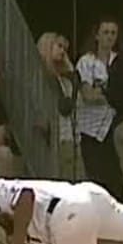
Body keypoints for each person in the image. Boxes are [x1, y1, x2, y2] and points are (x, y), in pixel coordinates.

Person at [73, 19, 123, 200]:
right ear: (97, 35)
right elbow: (88, 95)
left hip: (112, 128)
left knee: (117, 182)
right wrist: (110, 93)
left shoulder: (119, 61)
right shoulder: (86, 62)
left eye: (113, 33)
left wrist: (104, 93)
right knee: (96, 182)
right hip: (91, 131)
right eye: (105, 32)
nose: (109, 36)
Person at [37, 31, 79, 179]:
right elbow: (65, 107)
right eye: (59, 46)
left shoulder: (62, 79)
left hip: (69, 137)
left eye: (65, 49)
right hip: (57, 139)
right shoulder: (44, 78)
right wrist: (72, 73)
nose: (63, 51)